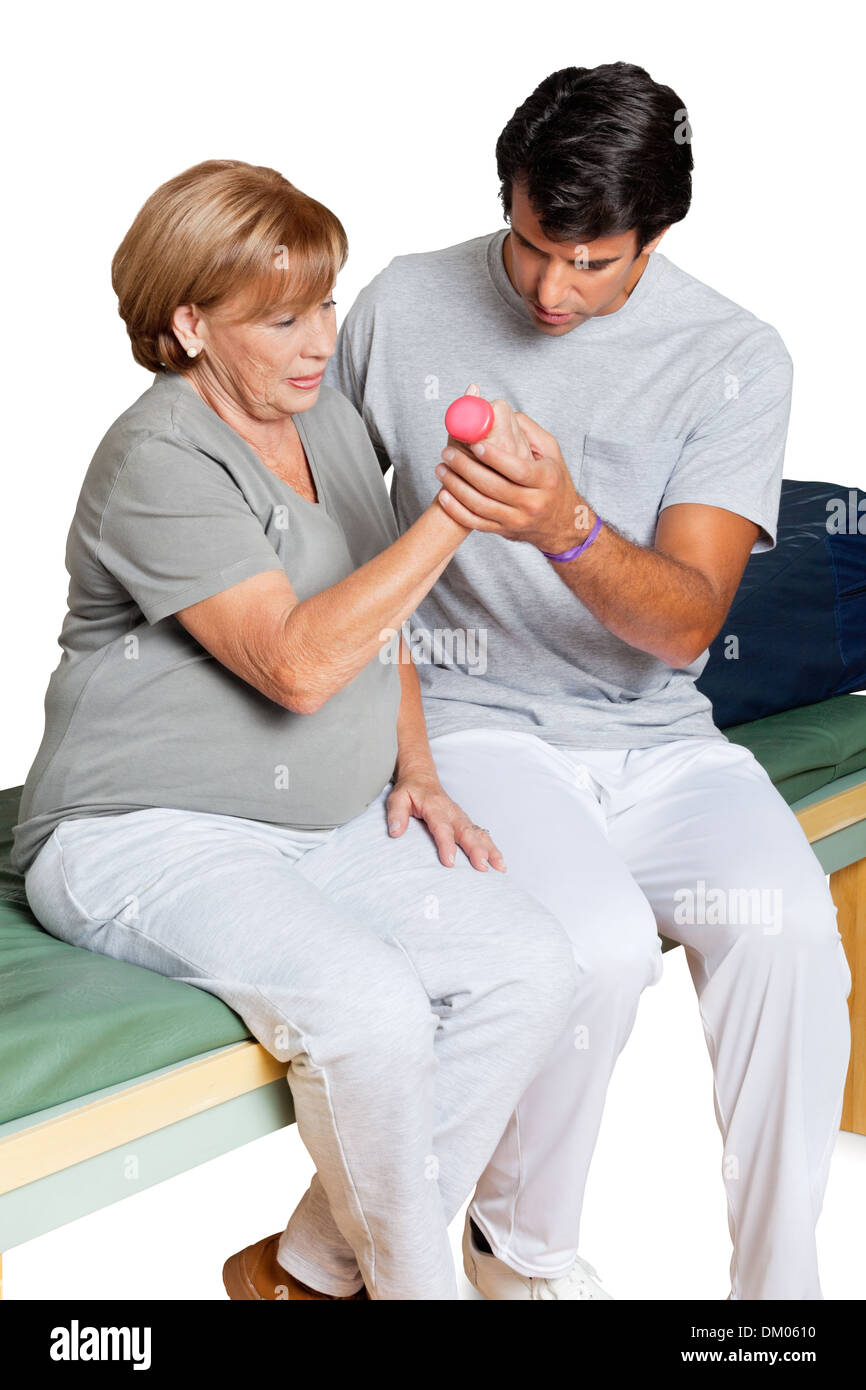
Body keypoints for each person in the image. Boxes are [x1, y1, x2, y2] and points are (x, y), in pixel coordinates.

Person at [316, 62, 854, 1300]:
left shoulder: (731, 354)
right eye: (528, 245)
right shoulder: (402, 303)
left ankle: (778, 1306)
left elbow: (685, 624)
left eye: (592, 262)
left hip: (658, 735)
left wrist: (564, 524)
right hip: (474, 721)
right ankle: (518, 1256)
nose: (551, 290)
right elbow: (329, 538)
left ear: (654, 237)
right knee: (598, 948)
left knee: (789, 940)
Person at [11, 159, 582, 1302]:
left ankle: (309, 1270)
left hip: (318, 826)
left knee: (530, 964)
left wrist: (415, 768)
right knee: (369, 1011)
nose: (321, 338)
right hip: (142, 836)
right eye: (281, 317)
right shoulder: (156, 456)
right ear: (189, 325)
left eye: (325, 302)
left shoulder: (318, 415)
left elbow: (381, 612)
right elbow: (298, 661)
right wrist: (453, 518)